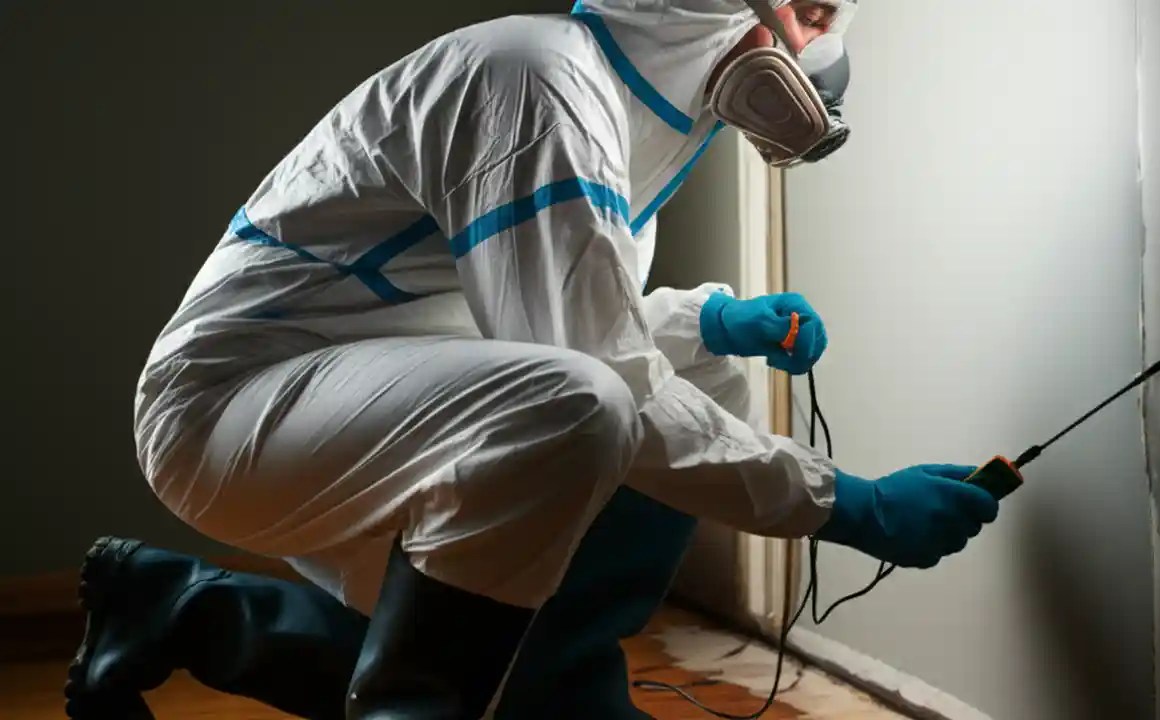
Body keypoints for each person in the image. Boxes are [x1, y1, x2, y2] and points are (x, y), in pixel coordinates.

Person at [65, 2, 1000, 718]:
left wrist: (712, 325)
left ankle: (181, 607)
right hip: (231, 412)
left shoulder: (620, 130)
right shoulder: (536, 82)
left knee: (677, 389)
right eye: (811, 11)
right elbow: (588, 368)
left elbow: (519, 321)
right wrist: (849, 504)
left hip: (363, 401)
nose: (818, 46)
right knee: (582, 405)